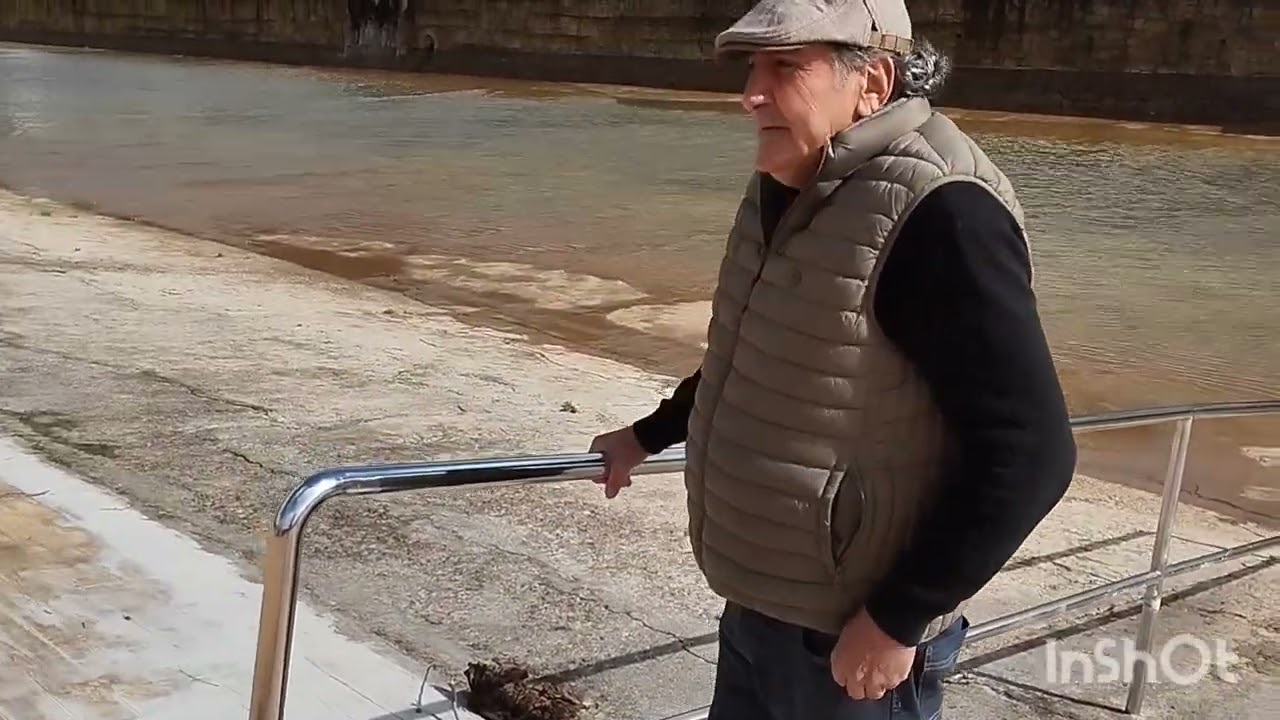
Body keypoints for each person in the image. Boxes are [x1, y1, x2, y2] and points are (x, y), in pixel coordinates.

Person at [588, 0, 1078, 718]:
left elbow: (1033, 452)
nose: (751, 92)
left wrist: (898, 619)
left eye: (785, 66)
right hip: (763, 601)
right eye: (753, 67)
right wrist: (648, 435)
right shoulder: (797, 174)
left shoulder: (943, 210)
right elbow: (762, 354)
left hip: (850, 638)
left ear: (873, 83)